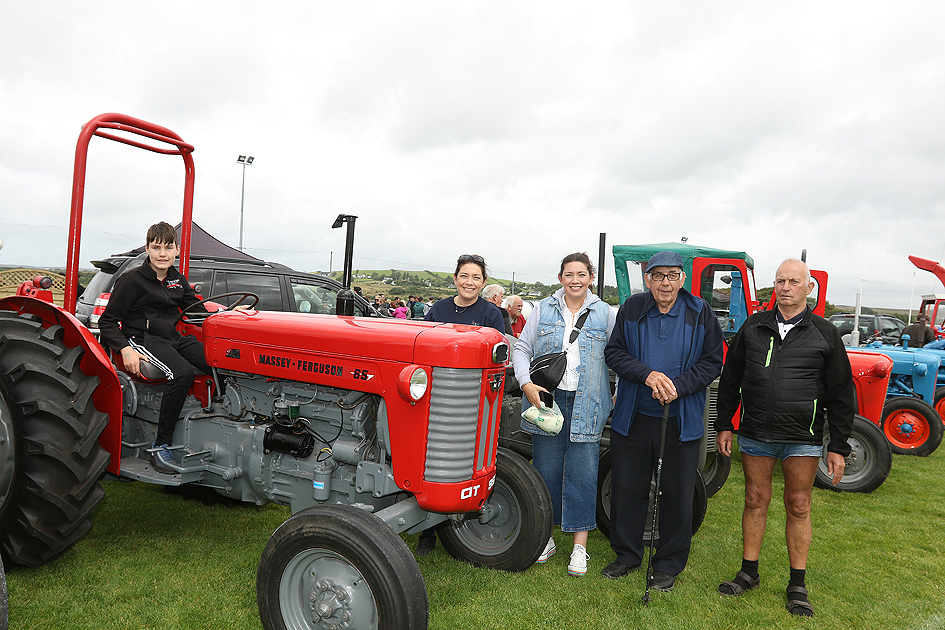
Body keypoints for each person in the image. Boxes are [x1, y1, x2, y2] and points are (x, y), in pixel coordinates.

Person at [714, 259, 854, 617]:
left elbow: (841, 393)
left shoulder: (825, 333)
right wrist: (724, 423)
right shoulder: (752, 327)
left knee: (799, 504)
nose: (785, 287)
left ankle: (797, 583)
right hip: (756, 432)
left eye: (794, 281)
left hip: (801, 437)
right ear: (772, 286)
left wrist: (838, 446)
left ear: (809, 288)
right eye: (780, 281)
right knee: (755, 498)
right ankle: (748, 572)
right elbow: (730, 378)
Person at [602, 250, 723, 592]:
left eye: (671, 275)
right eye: (657, 276)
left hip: (680, 419)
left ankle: (668, 563)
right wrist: (648, 375)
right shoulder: (632, 309)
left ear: (682, 278)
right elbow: (615, 353)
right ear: (648, 280)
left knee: (677, 493)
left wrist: (677, 386)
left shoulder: (701, 312)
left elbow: (712, 362)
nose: (665, 283)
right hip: (634, 416)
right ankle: (626, 555)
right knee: (628, 488)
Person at [512, 253, 616, 577]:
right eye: (569, 274)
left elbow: (620, 358)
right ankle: (546, 537)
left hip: (588, 405)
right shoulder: (543, 309)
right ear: (560, 278)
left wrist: (616, 396)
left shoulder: (605, 314)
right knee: (546, 471)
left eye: (581, 274)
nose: (575, 280)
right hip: (547, 402)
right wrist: (526, 384)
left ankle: (579, 548)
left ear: (590, 278)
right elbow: (521, 349)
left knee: (584, 475)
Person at [99, 222, 212, 475]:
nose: (163, 254)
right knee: (181, 372)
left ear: (177, 250)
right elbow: (107, 321)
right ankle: (161, 445)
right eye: (156, 247)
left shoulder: (176, 279)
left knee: (217, 364)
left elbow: (197, 312)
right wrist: (125, 348)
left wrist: (231, 315)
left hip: (173, 337)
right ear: (148, 249)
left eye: (168, 248)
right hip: (143, 339)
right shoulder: (131, 281)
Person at [418, 254, 505, 554]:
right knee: (430, 459)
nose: (470, 282)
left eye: (476, 277)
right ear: (455, 278)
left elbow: (497, 356)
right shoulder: (439, 309)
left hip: (473, 400)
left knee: (466, 458)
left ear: (483, 282)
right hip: (436, 398)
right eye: (464, 276)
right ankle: (426, 530)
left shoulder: (491, 314)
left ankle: (466, 518)